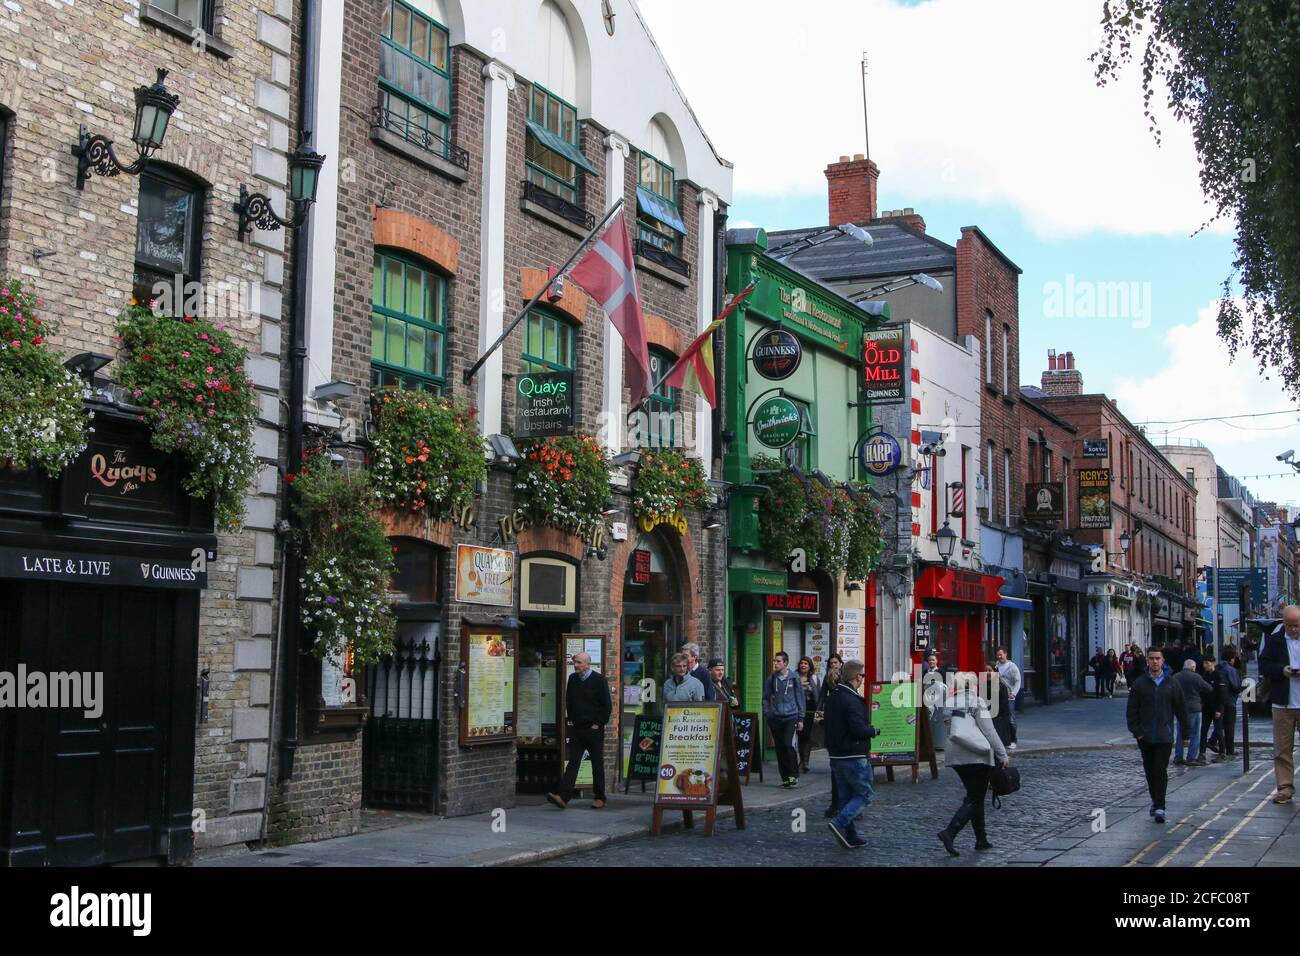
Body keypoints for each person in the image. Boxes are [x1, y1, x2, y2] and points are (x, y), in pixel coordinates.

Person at [937, 672, 1010, 856]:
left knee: (974, 795)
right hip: (977, 755)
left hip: (956, 757)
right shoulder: (976, 702)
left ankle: (981, 839)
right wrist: (1002, 754)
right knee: (976, 798)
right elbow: (989, 731)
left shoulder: (949, 704)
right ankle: (950, 832)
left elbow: (952, 728)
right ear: (972, 685)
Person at [1126, 647, 1188, 823]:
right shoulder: (1140, 684)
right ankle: (1155, 800)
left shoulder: (1171, 683)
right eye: (1151, 658)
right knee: (1149, 770)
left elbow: (1181, 709)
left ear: (1163, 661)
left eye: (1157, 658)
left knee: (1160, 770)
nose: (1154, 661)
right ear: (1147, 661)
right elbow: (1132, 710)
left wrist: (1186, 734)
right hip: (1145, 736)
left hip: (1164, 735)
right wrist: (1137, 732)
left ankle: (1160, 805)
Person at [546, 652, 612, 810]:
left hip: (593, 729)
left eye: (579, 662)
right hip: (578, 728)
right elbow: (569, 700)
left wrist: (598, 724)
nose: (576, 665)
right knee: (573, 763)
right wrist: (572, 720)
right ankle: (563, 797)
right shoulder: (573, 679)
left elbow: (607, 706)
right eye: (575, 662)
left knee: (596, 763)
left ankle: (599, 797)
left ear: (588, 664)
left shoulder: (599, 680)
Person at [824, 660, 878, 850]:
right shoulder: (852, 700)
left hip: (836, 756)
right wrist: (873, 731)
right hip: (853, 754)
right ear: (857, 677)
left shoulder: (833, 697)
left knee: (846, 797)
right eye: (862, 676)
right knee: (865, 794)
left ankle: (850, 835)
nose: (863, 679)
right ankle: (840, 823)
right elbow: (857, 729)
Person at [1257, 605, 1300, 804]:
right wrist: (1282, 670)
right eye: (1290, 625)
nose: (1294, 629)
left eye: (1297, 626)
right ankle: (1285, 787)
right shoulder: (1274, 641)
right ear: (1284, 623)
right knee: (1282, 749)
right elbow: (1264, 665)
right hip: (1283, 703)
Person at [763, 651, 805, 788]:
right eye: (775, 661)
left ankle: (794, 774)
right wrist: (767, 713)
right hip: (775, 717)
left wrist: (801, 718)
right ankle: (785, 777)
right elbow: (765, 697)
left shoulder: (794, 678)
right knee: (780, 748)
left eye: (779, 661)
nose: (776, 663)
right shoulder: (772, 678)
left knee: (788, 744)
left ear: (785, 663)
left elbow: (800, 698)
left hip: (791, 716)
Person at [817, 654, 844, 818]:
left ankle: (839, 806)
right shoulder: (830, 686)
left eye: (835, 662)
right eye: (831, 663)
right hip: (839, 738)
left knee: (839, 772)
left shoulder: (842, 693)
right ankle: (839, 806)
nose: (833, 665)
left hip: (838, 738)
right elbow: (821, 696)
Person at [1171, 659, 1212, 766]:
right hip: (1194, 707)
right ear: (1192, 667)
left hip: (1180, 708)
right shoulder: (1196, 677)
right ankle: (1191, 757)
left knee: (1180, 733)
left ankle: (1178, 756)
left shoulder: (1176, 677)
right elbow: (1208, 688)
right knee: (1195, 733)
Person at [1211, 649, 1242, 757]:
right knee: (1229, 726)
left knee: (1221, 724)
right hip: (1229, 701)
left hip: (1218, 701)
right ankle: (1229, 749)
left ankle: (1212, 741)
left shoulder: (1218, 668)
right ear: (1232, 658)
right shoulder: (1230, 670)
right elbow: (1235, 686)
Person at [795, 656, 821, 774]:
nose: (803, 665)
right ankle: (802, 761)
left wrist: (819, 710)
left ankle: (805, 762)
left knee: (806, 734)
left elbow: (819, 694)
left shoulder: (814, 678)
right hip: (797, 710)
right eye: (801, 663)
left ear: (810, 666)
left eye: (806, 663)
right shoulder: (794, 677)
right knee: (800, 734)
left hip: (810, 710)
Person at [1199, 658, 1228, 762]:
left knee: (1218, 729)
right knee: (1203, 730)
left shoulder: (1219, 675)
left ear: (1213, 663)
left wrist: (1219, 709)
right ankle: (1202, 752)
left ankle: (1222, 752)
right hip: (1206, 707)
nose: (1205, 665)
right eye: (1204, 663)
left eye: (1207, 663)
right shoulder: (1204, 675)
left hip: (1216, 707)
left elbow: (1222, 693)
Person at [995, 648, 1022, 749]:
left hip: (1009, 696)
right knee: (999, 718)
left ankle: (1013, 739)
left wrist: (1013, 693)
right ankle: (1002, 739)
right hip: (997, 696)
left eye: (1001, 655)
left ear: (1006, 654)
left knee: (1011, 719)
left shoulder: (1012, 667)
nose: (999, 657)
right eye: (998, 655)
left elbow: (1018, 681)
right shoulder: (995, 666)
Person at [987, 664, 1014, 748]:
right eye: (985, 670)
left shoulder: (1001, 686)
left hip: (999, 717)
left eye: (989, 670)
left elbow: (1004, 704)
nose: (987, 672)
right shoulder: (983, 685)